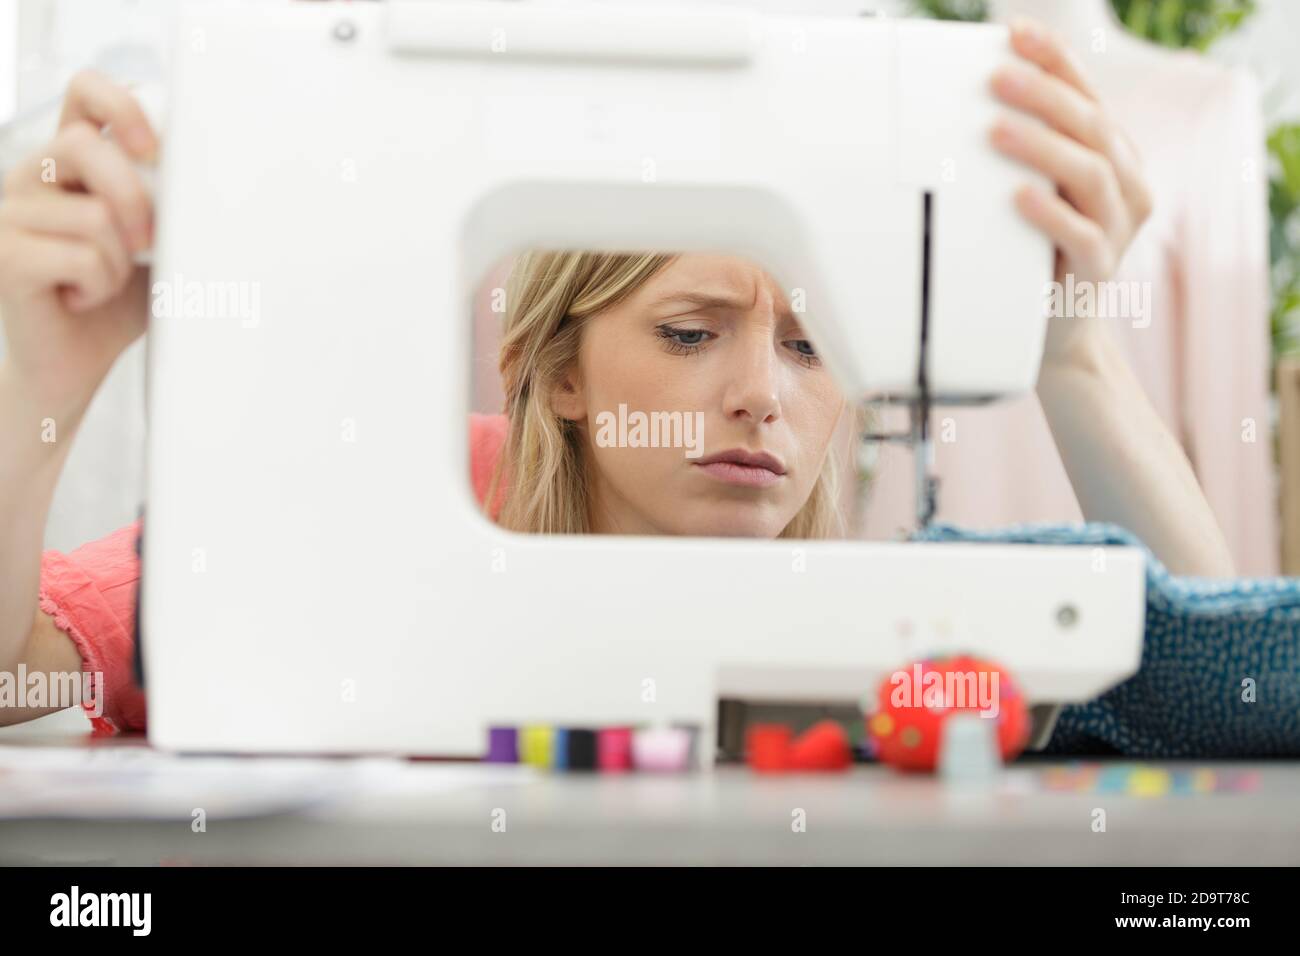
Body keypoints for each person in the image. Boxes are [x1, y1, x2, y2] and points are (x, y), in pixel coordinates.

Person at [0, 18, 1233, 732]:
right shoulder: (356, 517)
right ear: (559, 367)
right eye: (692, 332)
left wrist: (1069, 346)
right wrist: (29, 380)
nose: (763, 390)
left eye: (812, 344)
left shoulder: (873, 618)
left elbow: (1219, 691)